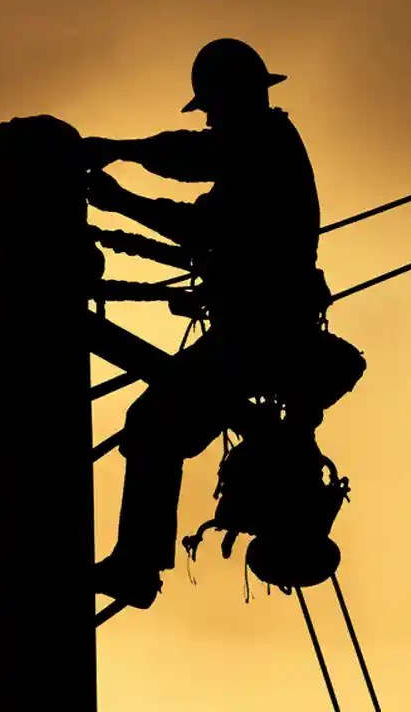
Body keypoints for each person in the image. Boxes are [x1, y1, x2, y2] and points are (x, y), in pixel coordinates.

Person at [85, 38, 333, 609]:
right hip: (262, 332)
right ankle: (137, 563)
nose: (213, 120)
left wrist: (120, 190)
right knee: (155, 425)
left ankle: (138, 564)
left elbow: (196, 196)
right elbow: (193, 168)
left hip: (261, 335)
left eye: (214, 108)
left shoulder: (266, 146)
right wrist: (121, 161)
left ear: (227, 99)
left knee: (150, 424)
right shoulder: (262, 154)